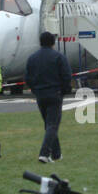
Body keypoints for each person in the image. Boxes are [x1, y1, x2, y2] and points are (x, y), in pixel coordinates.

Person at [23, 31, 70, 163]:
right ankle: (44, 153)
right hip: (55, 93)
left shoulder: (32, 58)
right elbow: (66, 75)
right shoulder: (58, 57)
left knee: (48, 124)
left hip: (40, 94)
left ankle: (56, 153)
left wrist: (35, 89)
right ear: (53, 42)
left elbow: (27, 77)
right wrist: (64, 90)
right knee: (52, 125)